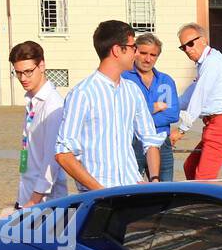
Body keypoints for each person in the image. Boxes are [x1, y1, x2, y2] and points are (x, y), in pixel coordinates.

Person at [55, 20, 165, 190]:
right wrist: (99, 191)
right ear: (116, 50)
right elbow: (63, 153)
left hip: (131, 187)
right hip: (98, 195)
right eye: (133, 47)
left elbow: (150, 139)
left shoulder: (132, 91)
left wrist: (155, 180)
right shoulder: (83, 94)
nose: (136, 54)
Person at [174, 22, 222, 180]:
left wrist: (182, 129)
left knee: (203, 178)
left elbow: (200, 95)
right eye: (183, 47)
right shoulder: (203, 64)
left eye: (190, 44)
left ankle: (212, 205)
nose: (187, 49)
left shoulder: (212, 62)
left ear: (203, 40)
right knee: (190, 167)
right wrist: (164, 108)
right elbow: (187, 98)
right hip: (216, 124)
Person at [9, 40, 68, 207]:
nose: (23, 78)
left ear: (41, 66)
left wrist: (34, 200)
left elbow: (53, 158)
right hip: (27, 193)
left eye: (28, 72)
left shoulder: (52, 105)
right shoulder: (32, 100)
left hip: (45, 202)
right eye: (18, 73)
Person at [123, 33, 179, 183]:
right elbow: (124, 112)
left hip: (162, 142)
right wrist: (154, 107)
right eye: (143, 53)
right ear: (135, 52)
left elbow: (173, 114)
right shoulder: (124, 78)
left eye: (153, 55)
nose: (148, 59)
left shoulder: (165, 81)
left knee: (165, 191)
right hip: (133, 143)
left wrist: (140, 115)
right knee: (131, 191)